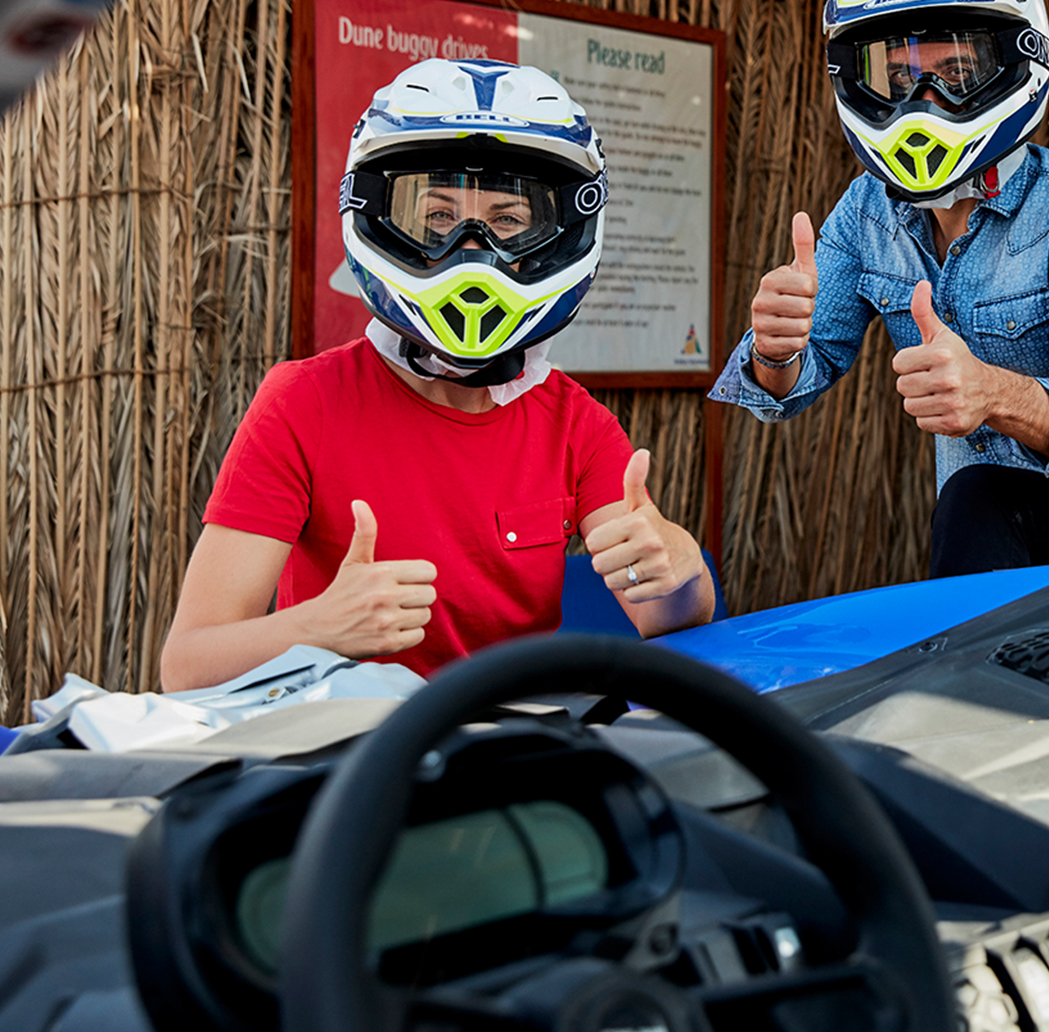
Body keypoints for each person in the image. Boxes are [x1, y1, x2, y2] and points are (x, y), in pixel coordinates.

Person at [160, 59, 712, 691]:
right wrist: (317, 628)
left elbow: (669, 619)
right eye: (438, 217)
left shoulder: (575, 425)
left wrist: (680, 568)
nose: (471, 248)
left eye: (508, 221)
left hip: (503, 750)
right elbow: (187, 666)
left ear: (562, 231)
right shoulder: (304, 402)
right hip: (339, 760)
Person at [710, 0, 1049, 575]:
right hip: (999, 541)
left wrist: (996, 394)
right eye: (898, 77)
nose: (923, 103)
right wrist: (775, 351)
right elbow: (791, 388)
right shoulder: (866, 210)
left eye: (957, 73)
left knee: (976, 493)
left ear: (1019, 59)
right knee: (976, 502)